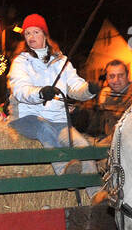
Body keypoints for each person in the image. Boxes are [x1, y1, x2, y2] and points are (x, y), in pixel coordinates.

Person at [6, 13, 97, 175]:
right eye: (27, 33)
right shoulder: (21, 62)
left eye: (35, 32)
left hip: (59, 120)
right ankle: (64, 170)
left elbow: (75, 86)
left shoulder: (62, 61)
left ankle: (96, 193)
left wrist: (88, 90)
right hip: (28, 119)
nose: (31, 36)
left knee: (83, 146)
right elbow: (20, 90)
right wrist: (40, 93)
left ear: (45, 35)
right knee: (45, 129)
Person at [73, 59, 132, 141]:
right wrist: (80, 110)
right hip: (104, 139)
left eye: (120, 75)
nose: (116, 80)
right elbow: (95, 123)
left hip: (125, 143)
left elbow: (126, 125)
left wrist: (103, 105)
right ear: (107, 78)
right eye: (112, 76)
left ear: (127, 76)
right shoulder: (106, 94)